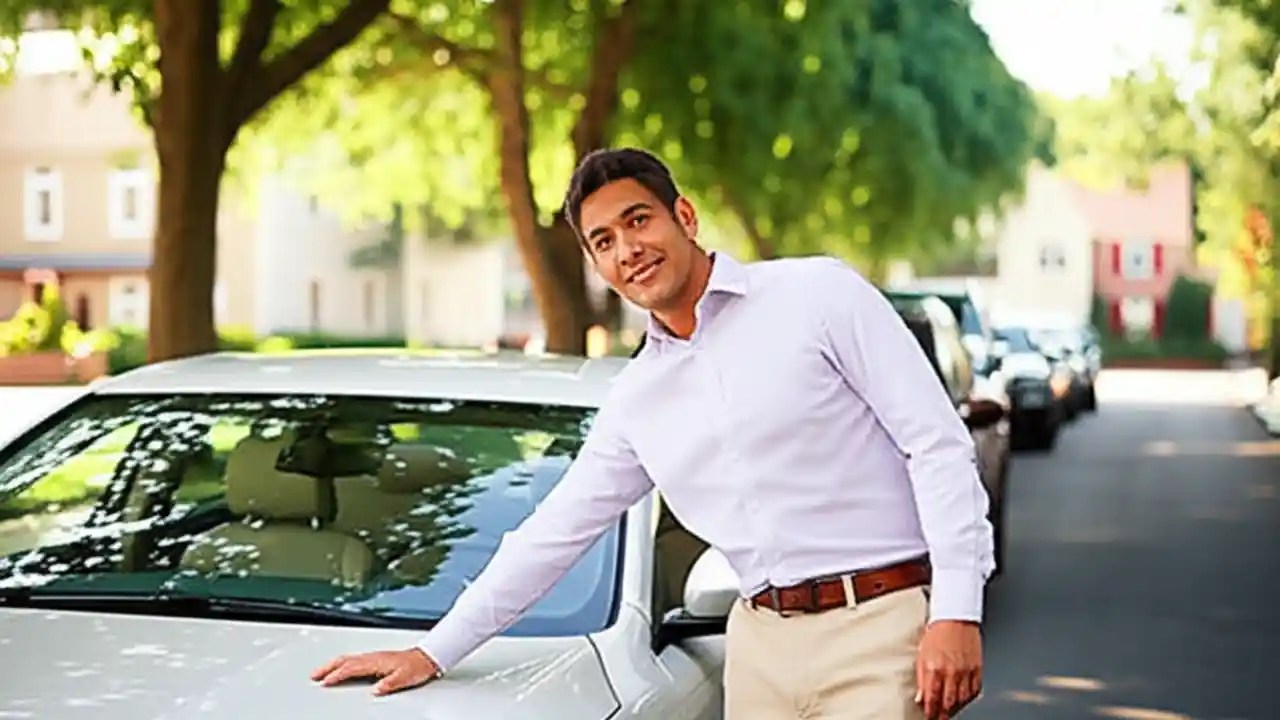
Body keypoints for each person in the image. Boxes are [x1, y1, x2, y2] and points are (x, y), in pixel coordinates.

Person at [310, 147, 994, 719]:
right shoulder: (637, 398)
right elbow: (556, 532)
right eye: (603, 242)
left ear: (685, 217)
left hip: (877, 627)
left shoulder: (818, 297)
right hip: (756, 649)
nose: (627, 249)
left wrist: (956, 613)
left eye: (638, 220)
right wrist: (434, 649)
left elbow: (934, 444)